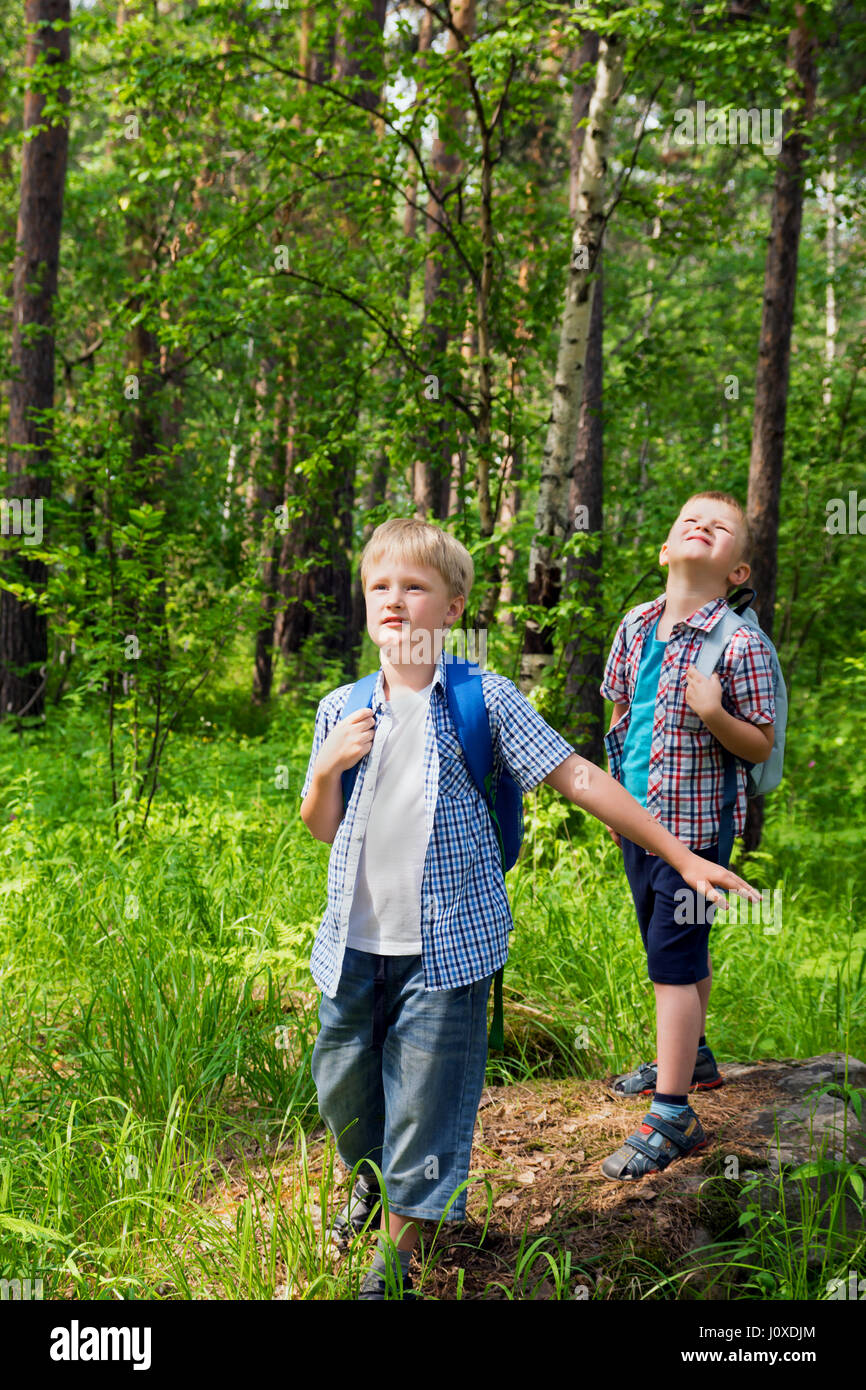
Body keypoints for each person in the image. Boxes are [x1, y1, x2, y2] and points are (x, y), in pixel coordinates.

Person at [300, 516, 760, 1297]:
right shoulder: (341, 707)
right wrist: (323, 770)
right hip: (350, 946)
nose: (394, 601)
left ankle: (396, 1261)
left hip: (449, 949)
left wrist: (680, 854)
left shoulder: (484, 698)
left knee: (427, 1100)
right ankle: (369, 1179)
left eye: (415, 587)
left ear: (452, 609)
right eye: (380, 586)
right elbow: (323, 827)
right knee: (344, 1089)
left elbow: (578, 776)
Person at [599, 491, 776, 1180]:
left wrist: (714, 712)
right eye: (688, 521)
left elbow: (759, 744)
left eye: (721, 525)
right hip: (636, 822)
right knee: (669, 942)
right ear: (667, 549)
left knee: (671, 961)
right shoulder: (636, 624)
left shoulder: (739, 641)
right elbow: (617, 700)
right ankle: (695, 1059)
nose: (702, 525)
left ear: (737, 570)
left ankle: (672, 1112)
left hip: (697, 834)